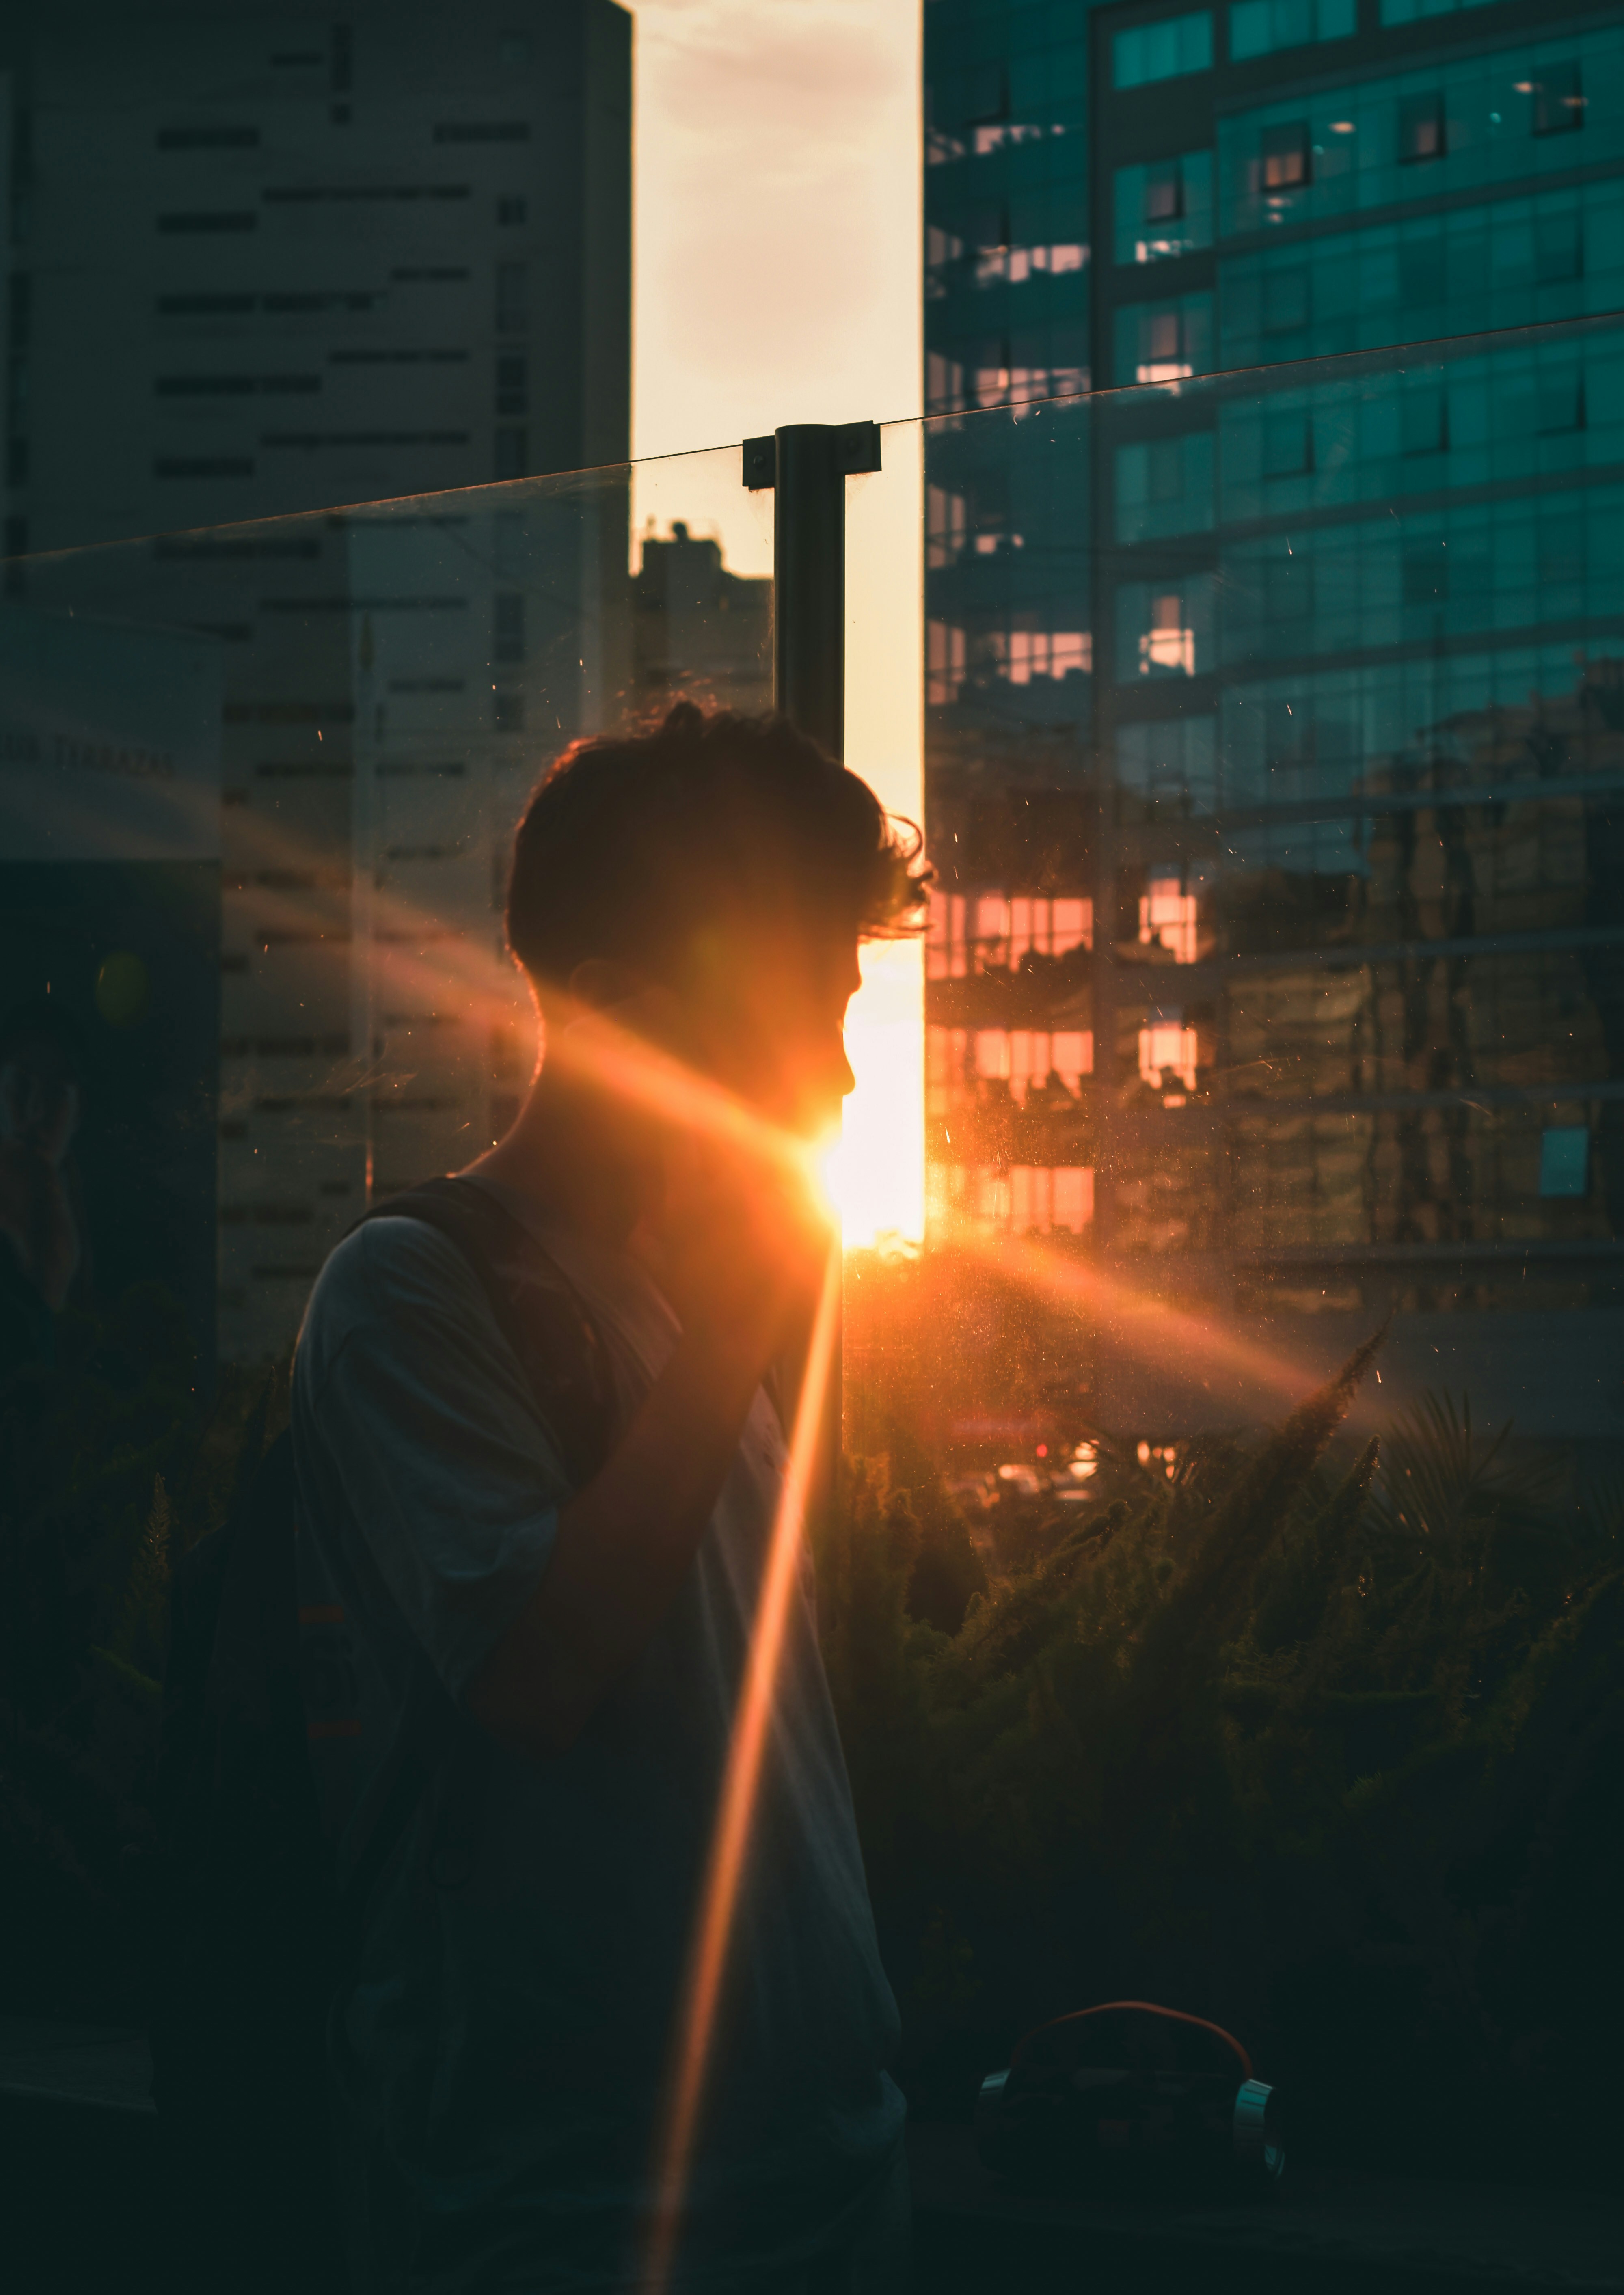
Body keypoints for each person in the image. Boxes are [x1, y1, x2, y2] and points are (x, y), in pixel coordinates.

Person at [291, 702, 927, 2294]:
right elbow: (536, 1671)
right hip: (566, 2220)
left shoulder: (690, 1305)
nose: (842, 1076)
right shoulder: (410, 1295)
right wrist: (737, 1328)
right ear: (631, 1015)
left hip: (821, 2186)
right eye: (801, 1012)